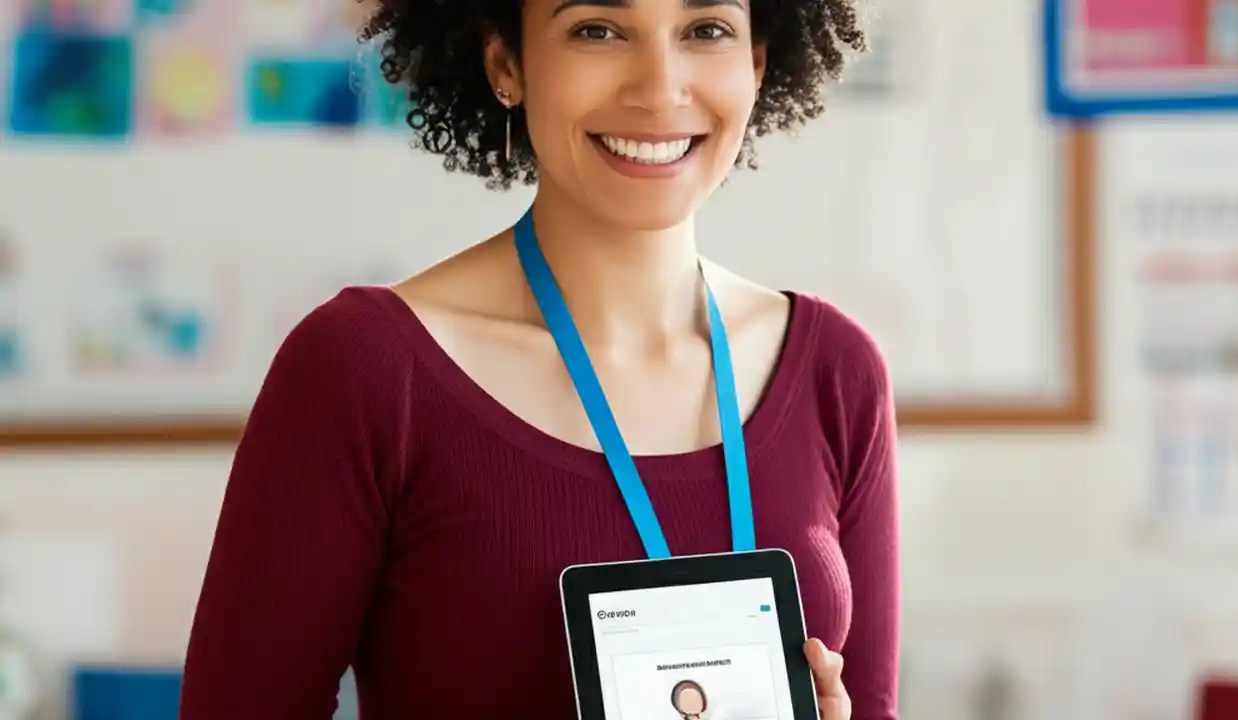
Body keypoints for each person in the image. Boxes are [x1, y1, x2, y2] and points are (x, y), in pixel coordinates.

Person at [178, 0, 899, 718]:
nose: (658, 87)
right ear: (506, 64)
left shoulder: (836, 371)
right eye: (597, 30)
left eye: (706, 29)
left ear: (758, 60)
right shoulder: (363, 371)